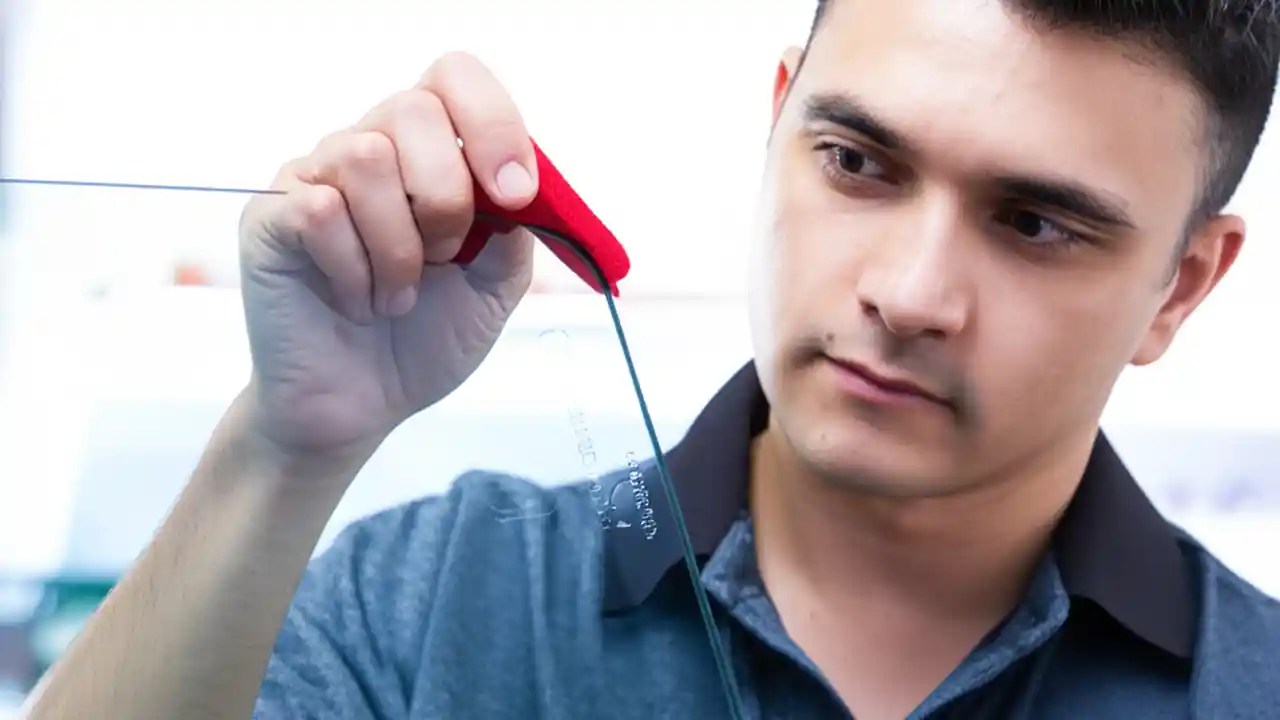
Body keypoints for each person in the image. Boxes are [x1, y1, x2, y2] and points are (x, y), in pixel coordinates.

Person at [20, 0, 1280, 718]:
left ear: (1178, 286)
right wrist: (287, 448)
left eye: (1032, 223)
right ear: (776, 119)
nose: (905, 293)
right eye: (855, 162)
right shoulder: (435, 601)